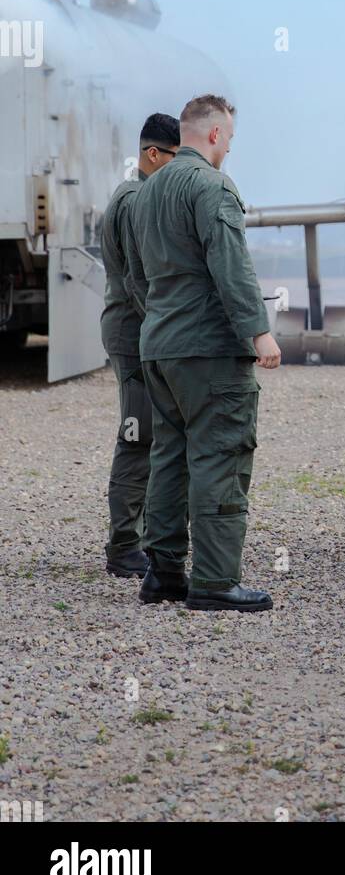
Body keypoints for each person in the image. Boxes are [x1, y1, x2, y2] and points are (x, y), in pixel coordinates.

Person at [126, 94, 282, 612]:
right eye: (230, 138)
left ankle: (164, 574)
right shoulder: (211, 186)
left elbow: (137, 277)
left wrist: (164, 323)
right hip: (208, 351)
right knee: (220, 452)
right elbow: (231, 265)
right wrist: (259, 332)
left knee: (169, 456)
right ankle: (215, 581)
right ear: (214, 134)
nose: (230, 148)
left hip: (160, 346)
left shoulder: (144, 192)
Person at [100, 113, 179, 578]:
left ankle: (145, 537)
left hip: (139, 330)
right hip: (135, 334)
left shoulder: (138, 194)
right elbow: (137, 280)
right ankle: (123, 546)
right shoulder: (134, 201)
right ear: (154, 154)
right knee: (138, 435)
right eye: (173, 157)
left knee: (151, 436)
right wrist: (168, 327)